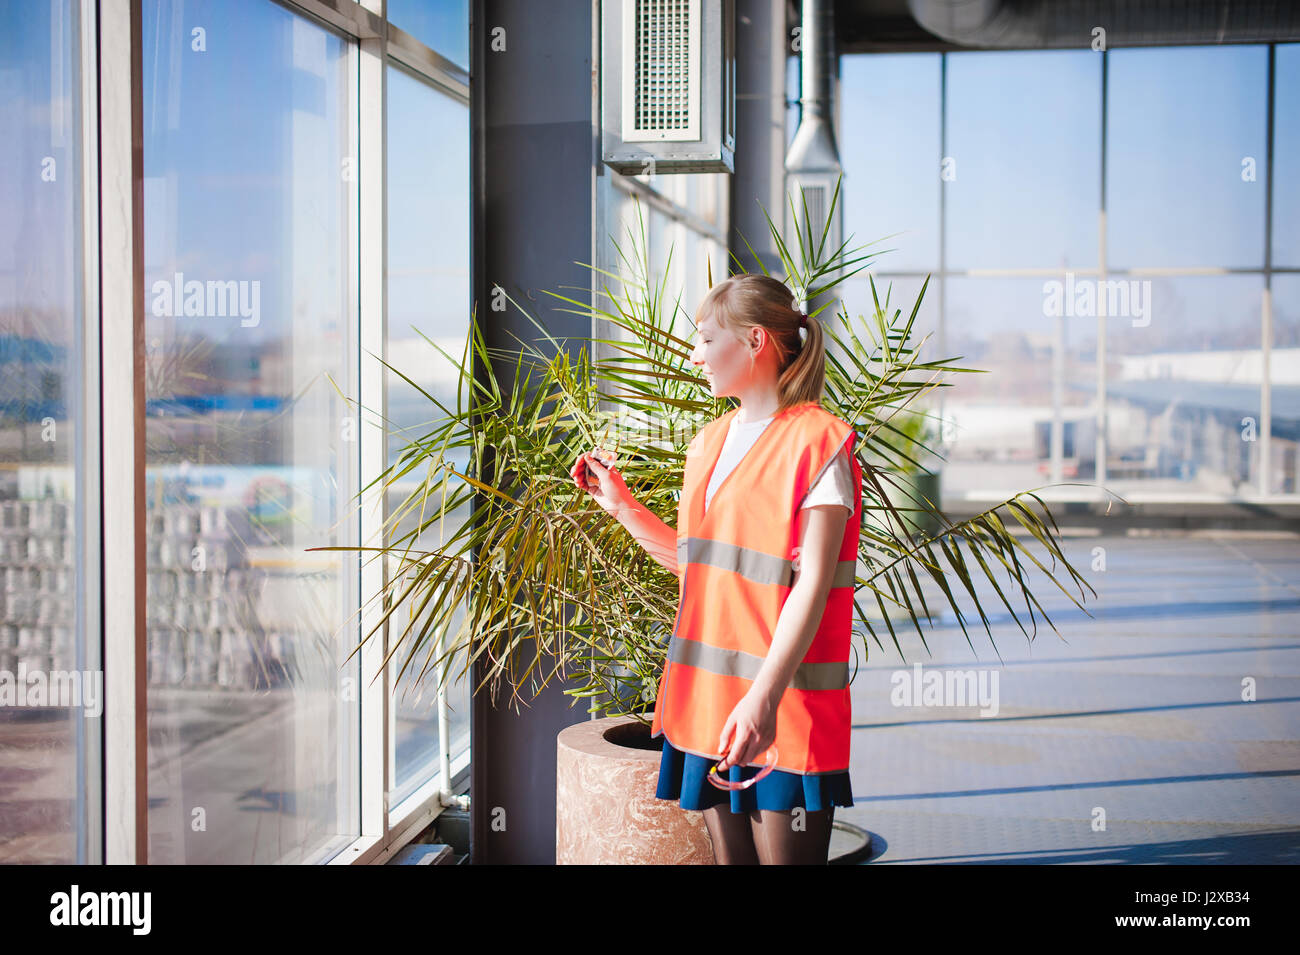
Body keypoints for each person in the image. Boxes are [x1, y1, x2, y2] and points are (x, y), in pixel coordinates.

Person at [570, 273, 860, 865]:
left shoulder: (818, 443)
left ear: (755, 341)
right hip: (706, 705)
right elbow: (699, 571)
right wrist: (622, 506)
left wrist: (763, 700)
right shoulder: (708, 443)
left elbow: (812, 586)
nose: (695, 354)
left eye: (706, 339)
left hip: (781, 708)